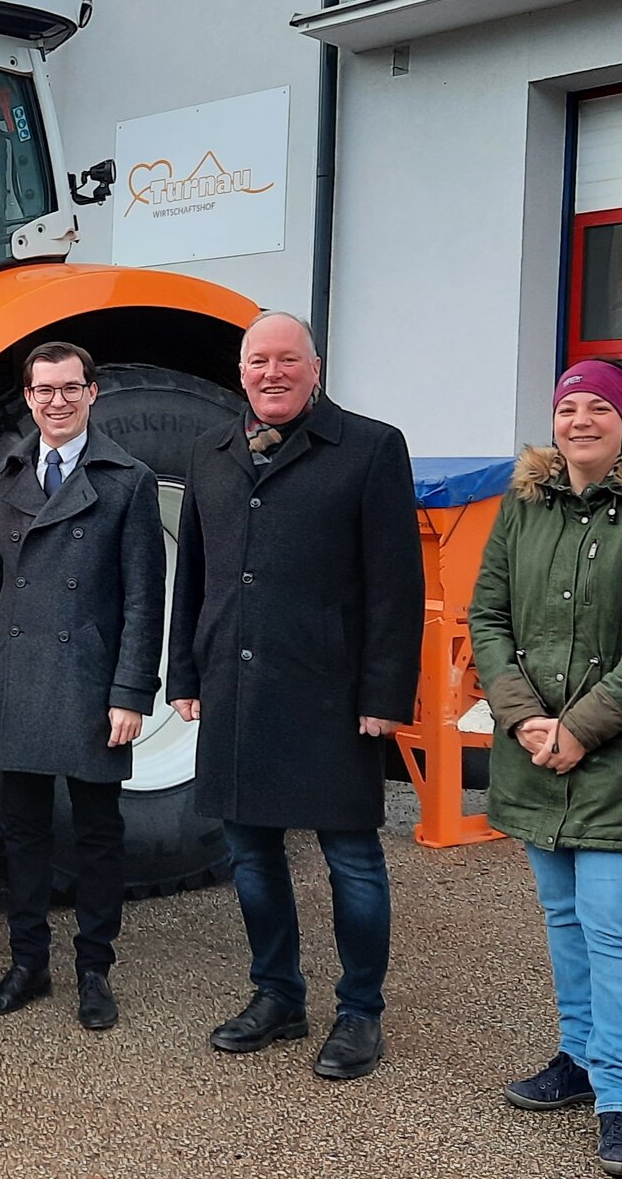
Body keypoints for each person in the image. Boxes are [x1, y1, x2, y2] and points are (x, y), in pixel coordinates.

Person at [166, 310, 424, 1081]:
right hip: (235, 686)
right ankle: (277, 995)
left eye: (287, 359)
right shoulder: (211, 452)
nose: (271, 373)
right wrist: (184, 672)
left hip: (331, 691)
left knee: (351, 857)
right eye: (257, 361)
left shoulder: (371, 448)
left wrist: (385, 691)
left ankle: (360, 1013)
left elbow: (395, 587)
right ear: (240, 372)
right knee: (251, 853)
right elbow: (198, 579)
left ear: (316, 367)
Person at [469, 359, 622, 1179]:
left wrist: (580, 727)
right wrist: (522, 713)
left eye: (597, 407)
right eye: (568, 407)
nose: (579, 420)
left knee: (615, 924)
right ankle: (578, 1058)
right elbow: (488, 614)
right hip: (536, 749)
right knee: (565, 918)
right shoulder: (521, 507)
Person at [0, 341, 164, 1030]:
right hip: (20, 676)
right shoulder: (11, 477)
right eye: (44, 389)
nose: (57, 400)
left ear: (92, 393)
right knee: (23, 833)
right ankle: (27, 963)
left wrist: (132, 691)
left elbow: (144, 598)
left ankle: (94, 970)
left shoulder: (128, 479)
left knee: (96, 832)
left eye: (69, 388)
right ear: (28, 397)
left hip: (89, 680)